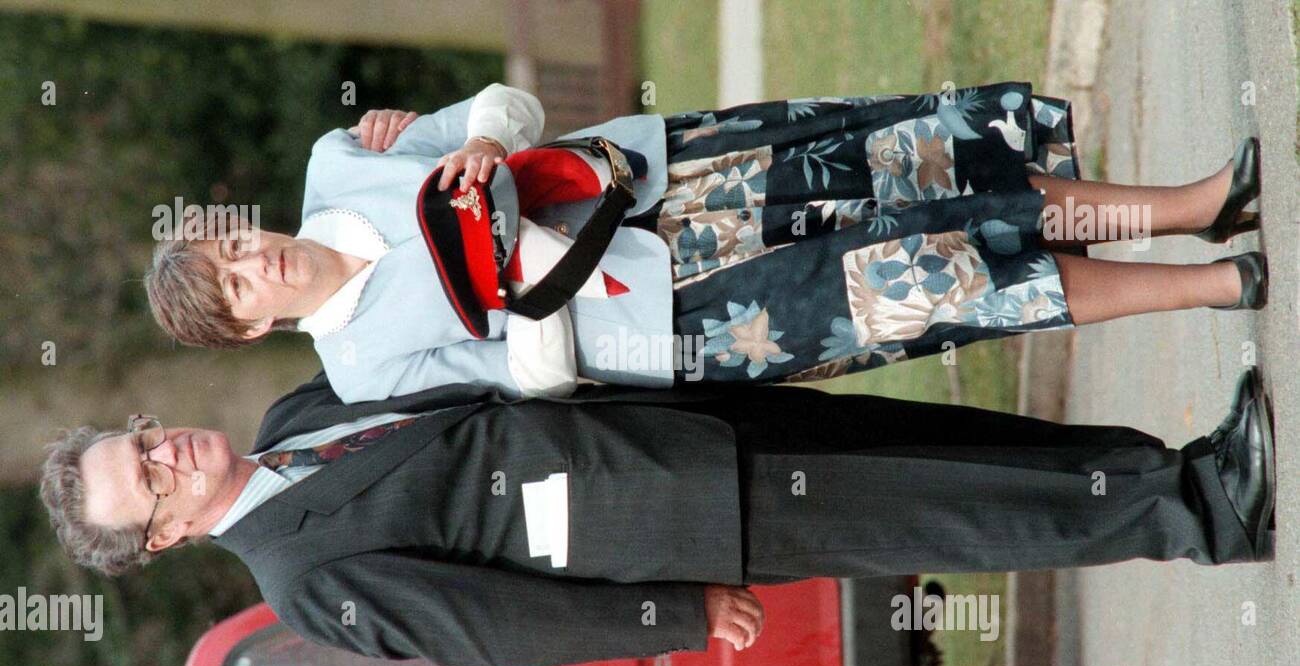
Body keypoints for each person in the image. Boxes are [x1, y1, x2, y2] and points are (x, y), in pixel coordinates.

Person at [38, 366, 1275, 666]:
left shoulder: (294, 406)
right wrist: (674, 614)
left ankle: (1178, 465)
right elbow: (493, 627)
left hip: (666, 420)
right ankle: (1204, 514)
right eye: (147, 481)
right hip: (672, 518)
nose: (165, 454)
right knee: (945, 512)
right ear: (162, 537)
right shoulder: (307, 583)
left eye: (141, 440)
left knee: (948, 443)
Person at [144, 82, 1267, 401]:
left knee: (926, 167)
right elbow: (530, 380)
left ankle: (1188, 206)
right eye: (238, 288)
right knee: (945, 273)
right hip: (684, 314)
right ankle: (1210, 286)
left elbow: (504, 107)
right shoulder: (361, 368)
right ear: (252, 328)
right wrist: (519, 257)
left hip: (664, 170)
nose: (256, 264)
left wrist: (484, 147)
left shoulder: (339, 164)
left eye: (235, 248)